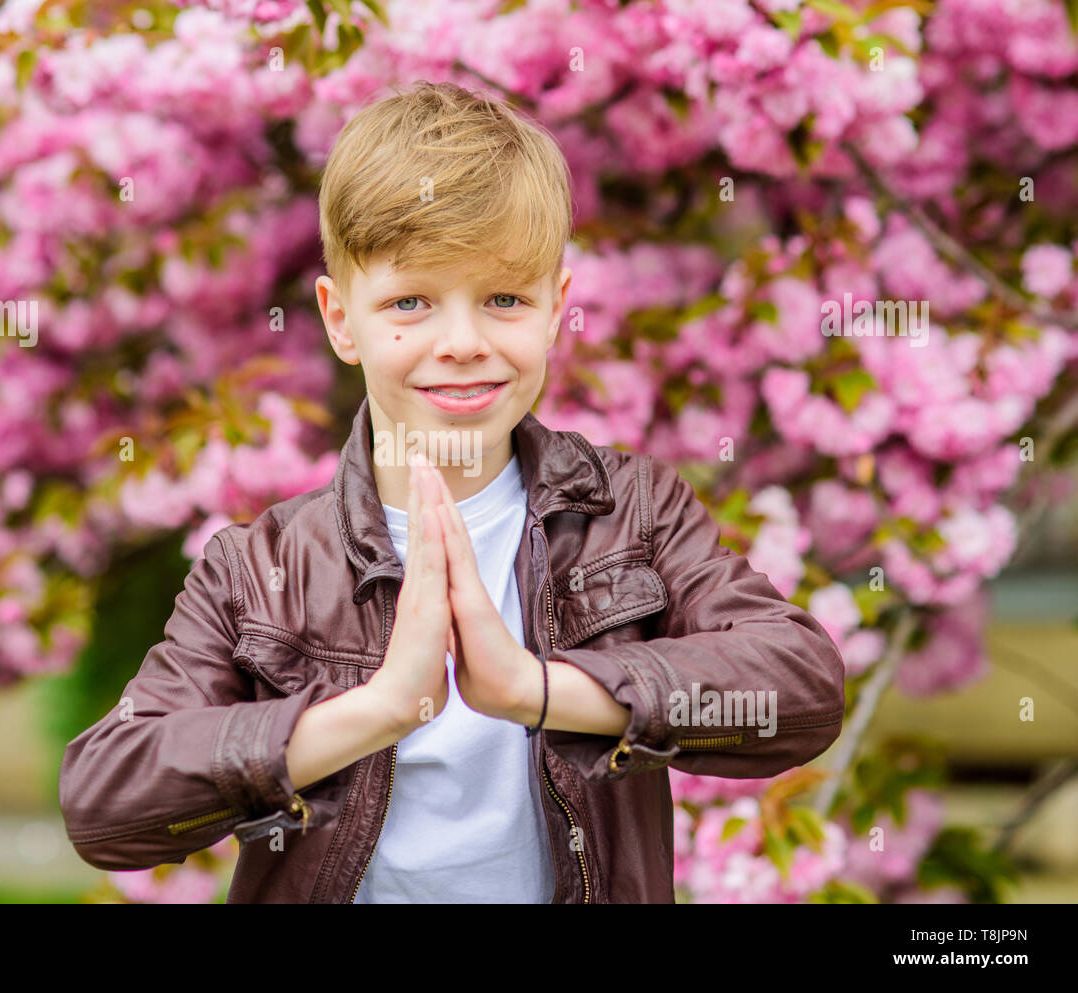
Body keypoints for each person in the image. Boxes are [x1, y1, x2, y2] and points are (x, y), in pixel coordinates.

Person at [58, 80, 846, 903]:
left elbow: (801, 691)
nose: (462, 343)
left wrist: (533, 690)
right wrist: (378, 709)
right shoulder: (259, 568)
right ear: (338, 319)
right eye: (411, 303)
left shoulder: (633, 513)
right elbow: (105, 803)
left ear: (556, 309)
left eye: (504, 298)